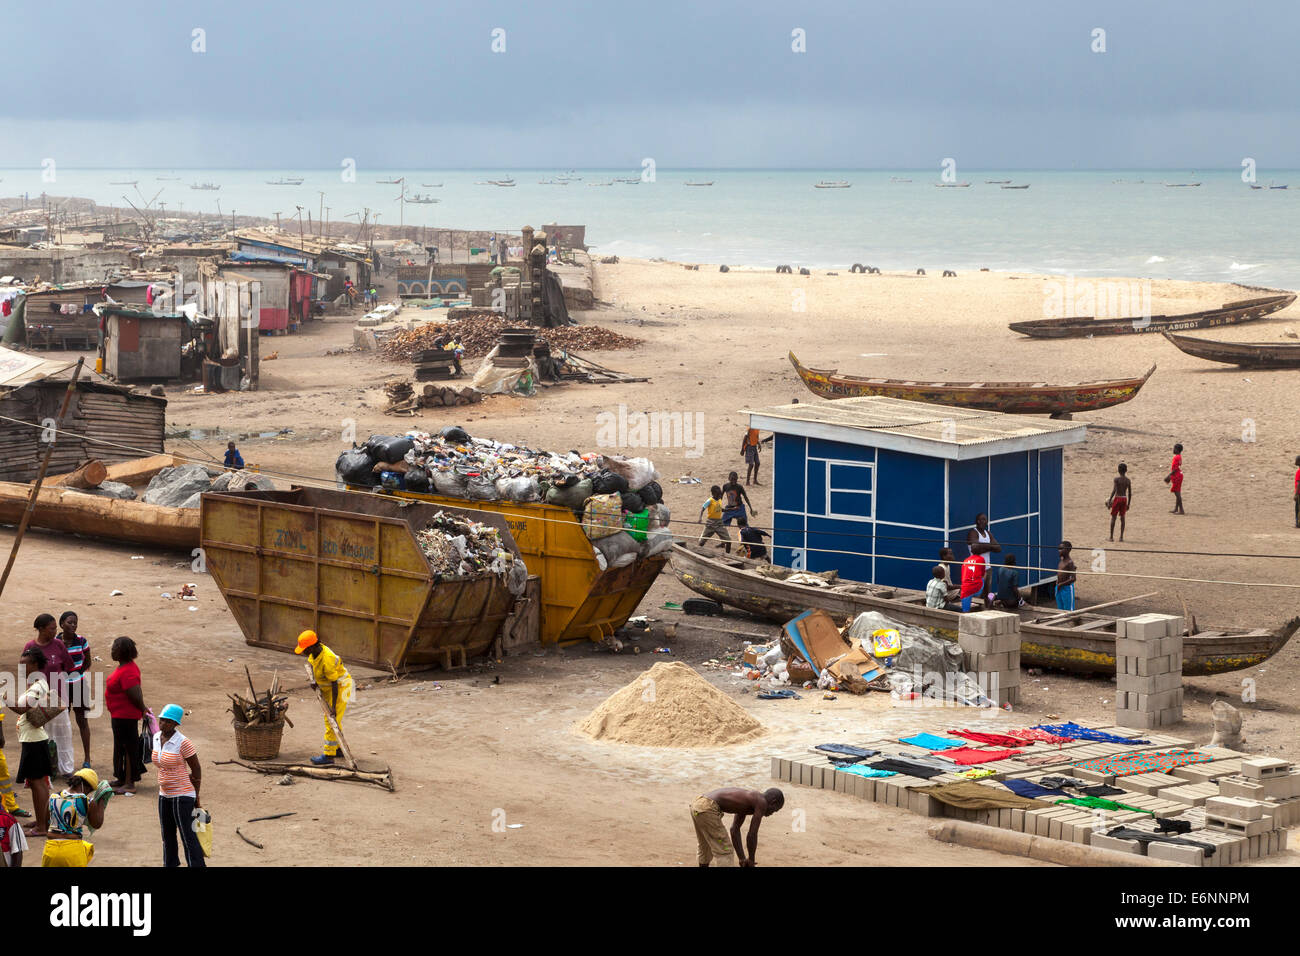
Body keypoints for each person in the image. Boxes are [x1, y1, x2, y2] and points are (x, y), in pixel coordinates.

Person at [11, 646, 56, 837]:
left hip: (34, 741)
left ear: (35, 665)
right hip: (34, 739)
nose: (22, 669)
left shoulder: (38, 686)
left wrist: (5, 699)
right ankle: (41, 820)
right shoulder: (37, 684)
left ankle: (42, 827)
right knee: (38, 783)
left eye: (24, 665)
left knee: (38, 784)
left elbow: (23, 709)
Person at [153, 704, 205, 868]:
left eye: (168, 722)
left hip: (182, 795)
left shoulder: (183, 743)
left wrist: (196, 796)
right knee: (167, 835)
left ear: (176, 724)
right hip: (164, 794)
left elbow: (196, 769)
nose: (163, 724)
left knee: (187, 836)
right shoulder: (156, 737)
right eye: (162, 720)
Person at [25, 613, 75, 780]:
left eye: (55, 628)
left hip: (60, 699)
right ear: (41, 629)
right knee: (43, 735)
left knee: (64, 733)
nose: (55, 631)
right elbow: (26, 675)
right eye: (52, 628)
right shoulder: (30, 647)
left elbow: (68, 667)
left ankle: (66, 768)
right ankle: (47, 770)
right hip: (39, 699)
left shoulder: (59, 645)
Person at [296, 631, 355, 766]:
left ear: (311, 647)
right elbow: (313, 665)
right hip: (329, 688)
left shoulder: (327, 658)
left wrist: (333, 706)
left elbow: (334, 683)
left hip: (341, 688)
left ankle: (329, 755)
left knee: (331, 720)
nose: (303, 653)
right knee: (334, 720)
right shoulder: (314, 653)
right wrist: (314, 681)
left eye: (304, 650)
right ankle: (338, 749)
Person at [689, 787, 784, 867]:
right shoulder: (761, 802)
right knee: (725, 851)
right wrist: (751, 859)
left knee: (705, 845)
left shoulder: (748, 801)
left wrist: (742, 859)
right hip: (707, 808)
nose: (772, 813)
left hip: (699, 805)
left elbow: (734, 830)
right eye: (775, 810)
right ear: (773, 802)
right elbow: (752, 835)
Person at [42, 768, 110, 867]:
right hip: (72, 852)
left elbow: (46, 827)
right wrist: (101, 800)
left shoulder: (52, 798)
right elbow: (97, 823)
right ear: (87, 787)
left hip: (50, 850)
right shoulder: (87, 801)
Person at [104, 637, 147, 796]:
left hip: (126, 717)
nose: (112, 650)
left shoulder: (128, 671)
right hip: (119, 715)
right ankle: (122, 778)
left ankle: (130, 783)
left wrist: (143, 709)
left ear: (123, 651)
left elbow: (135, 694)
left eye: (115, 647)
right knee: (121, 747)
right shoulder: (125, 667)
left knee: (129, 749)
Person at [58, 612, 92, 771]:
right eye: (70, 622)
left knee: (82, 721)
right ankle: (61, 760)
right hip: (60, 687)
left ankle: (87, 758)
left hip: (78, 685)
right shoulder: (56, 642)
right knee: (61, 724)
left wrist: (77, 674)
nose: (73, 625)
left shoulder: (82, 641)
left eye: (75, 623)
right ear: (61, 624)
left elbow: (88, 661)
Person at [966, 513, 1001, 606]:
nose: (981, 521)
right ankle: (974, 612)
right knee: (977, 593)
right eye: (980, 519)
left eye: (984, 519)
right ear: (976, 521)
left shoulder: (988, 533)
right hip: (977, 568)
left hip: (988, 568)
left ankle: (988, 609)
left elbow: (998, 548)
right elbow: (975, 550)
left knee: (987, 592)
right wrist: (990, 546)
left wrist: (983, 546)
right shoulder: (973, 533)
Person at [697, 486, 732, 550]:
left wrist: (725, 510)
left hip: (719, 523)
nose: (720, 496)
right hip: (710, 523)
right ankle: (698, 551)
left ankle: (728, 556)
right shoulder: (710, 500)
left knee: (728, 541)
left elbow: (719, 508)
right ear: (713, 494)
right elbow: (703, 508)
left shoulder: (719, 500)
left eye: (720, 495)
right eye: (718, 495)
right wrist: (700, 518)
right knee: (702, 542)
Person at [1107, 462, 1132, 542]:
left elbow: (1114, 490)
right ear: (1126, 470)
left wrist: (1110, 499)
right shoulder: (1128, 480)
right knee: (1123, 518)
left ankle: (1111, 537)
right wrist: (1128, 504)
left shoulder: (1116, 479)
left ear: (1118, 470)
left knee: (1113, 517)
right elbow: (1130, 493)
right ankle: (1121, 537)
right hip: (1124, 499)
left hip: (1117, 498)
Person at [1056, 541, 1077, 611]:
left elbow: (1073, 579)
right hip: (1059, 587)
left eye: (1061, 549)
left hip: (1066, 588)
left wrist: (1061, 584)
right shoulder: (1061, 560)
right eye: (1058, 549)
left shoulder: (1070, 562)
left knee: (1068, 610)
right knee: (1060, 609)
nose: (1059, 551)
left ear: (1068, 550)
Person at [1164, 443, 1184, 515]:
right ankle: (1176, 509)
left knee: (1177, 494)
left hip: (1177, 476)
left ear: (1177, 450)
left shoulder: (1176, 457)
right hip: (1179, 475)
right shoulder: (1179, 457)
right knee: (1177, 492)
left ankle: (1181, 510)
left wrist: (1169, 476)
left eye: (1174, 448)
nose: (1173, 449)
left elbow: (1175, 469)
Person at [1292, 455, 1298, 528]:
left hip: (1299, 494)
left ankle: (1298, 523)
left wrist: (1296, 494)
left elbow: (1299, 483)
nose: (1295, 462)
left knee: (1297, 509)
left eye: (1296, 461)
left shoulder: (1299, 472)